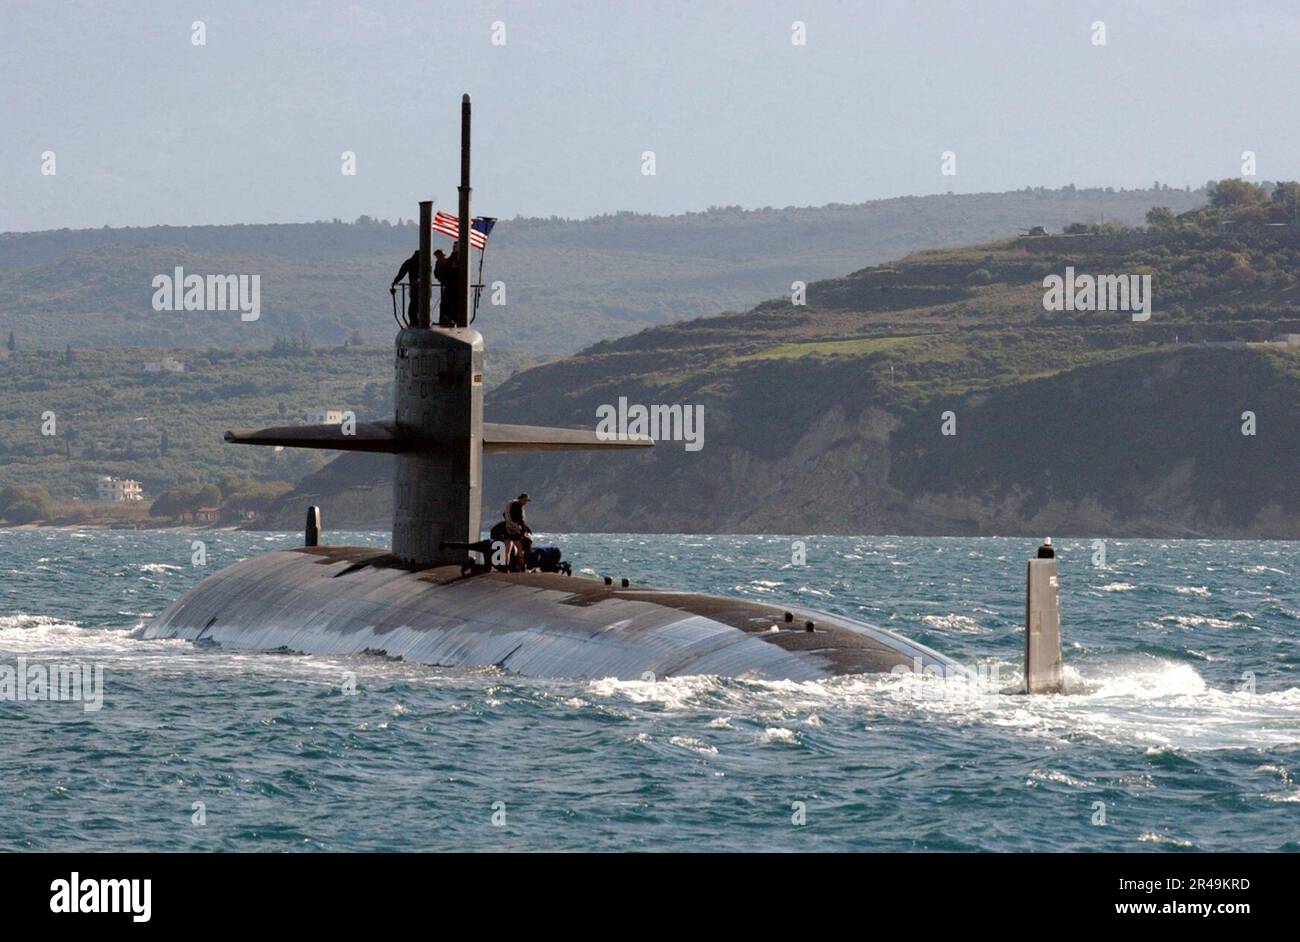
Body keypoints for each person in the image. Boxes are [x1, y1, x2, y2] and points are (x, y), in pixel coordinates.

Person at [389, 249, 421, 325]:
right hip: (419, 287)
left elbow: (401, 273)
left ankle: (414, 320)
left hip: (414, 286)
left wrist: (395, 282)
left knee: (414, 303)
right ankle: (417, 320)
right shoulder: (423, 262)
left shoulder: (410, 261)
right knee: (416, 303)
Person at [433, 247, 453, 326]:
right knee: (445, 303)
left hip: (446, 283)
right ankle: (445, 320)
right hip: (445, 283)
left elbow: (440, 273)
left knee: (445, 304)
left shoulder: (442, 262)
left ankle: (444, 320)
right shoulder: (443, 261)